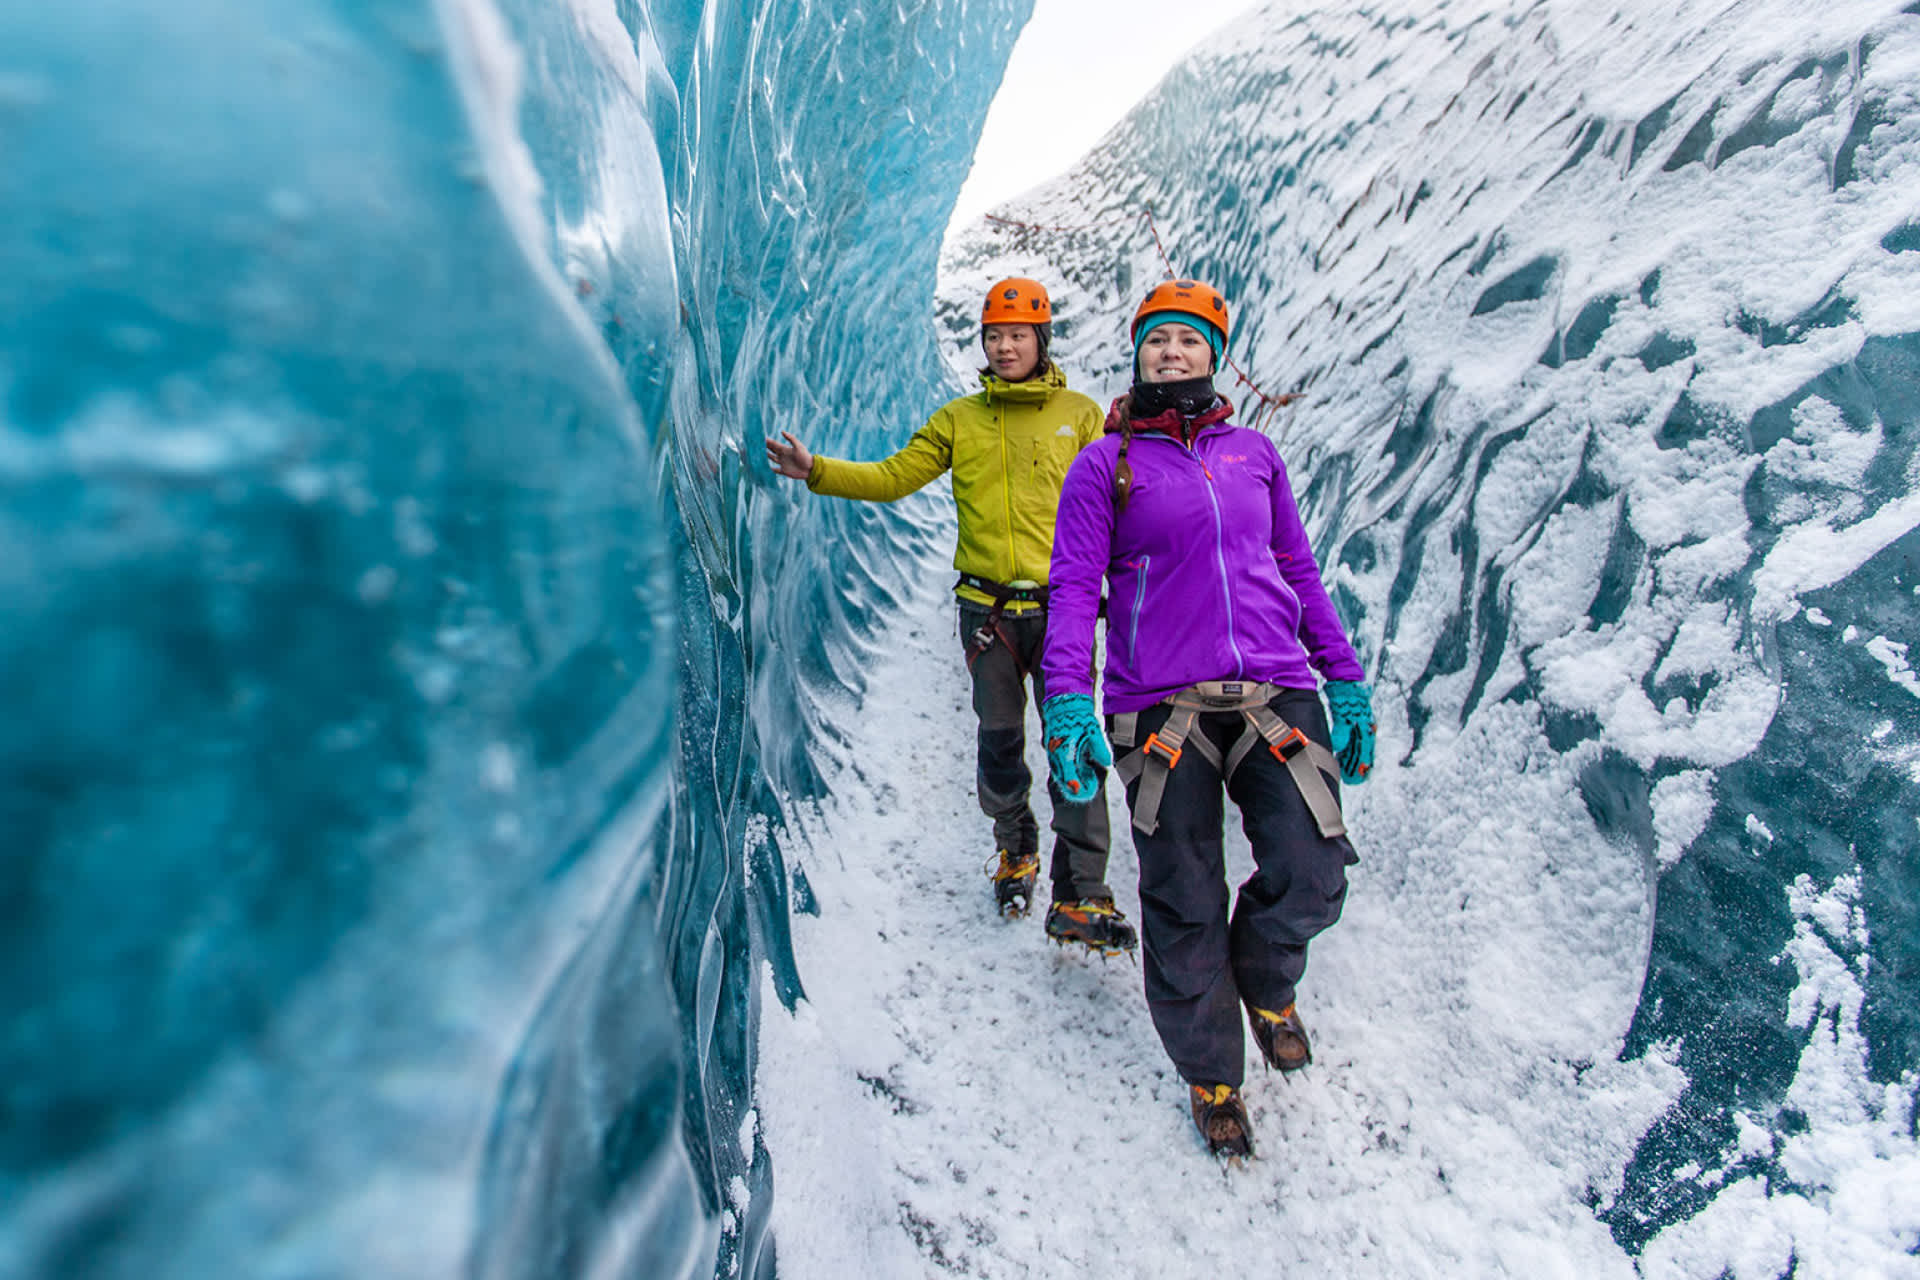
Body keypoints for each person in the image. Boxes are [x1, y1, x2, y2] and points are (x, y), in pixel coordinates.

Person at [1037, 278, 1376, 1158]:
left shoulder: (1255, 453)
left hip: (1275, 692)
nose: (1171, 353)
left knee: (1312, 869)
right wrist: (1069, 698)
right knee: (1183, 899)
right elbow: (1074, 588)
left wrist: (1344, 677)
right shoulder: (1103, 466)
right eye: (1157, 341)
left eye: (1189, 341)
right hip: (1159, 708)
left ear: (1214, 357)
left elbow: (1297, 569)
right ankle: (1213, 1070)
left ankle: (1266, 983)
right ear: (1139, 354)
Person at [765, 277, 1137, 955]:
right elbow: (893, 476)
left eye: (1017, 335)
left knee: (1072, 744)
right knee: (999, 746)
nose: (1003, 346)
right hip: (987, 613)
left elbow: (1127, 499)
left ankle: (1083, 890)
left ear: (1042, 339)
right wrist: (815, 469)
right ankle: (1015, 852)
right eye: (994, 335)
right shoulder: (959, 421)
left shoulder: (1082, 417)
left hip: (1064, 613)